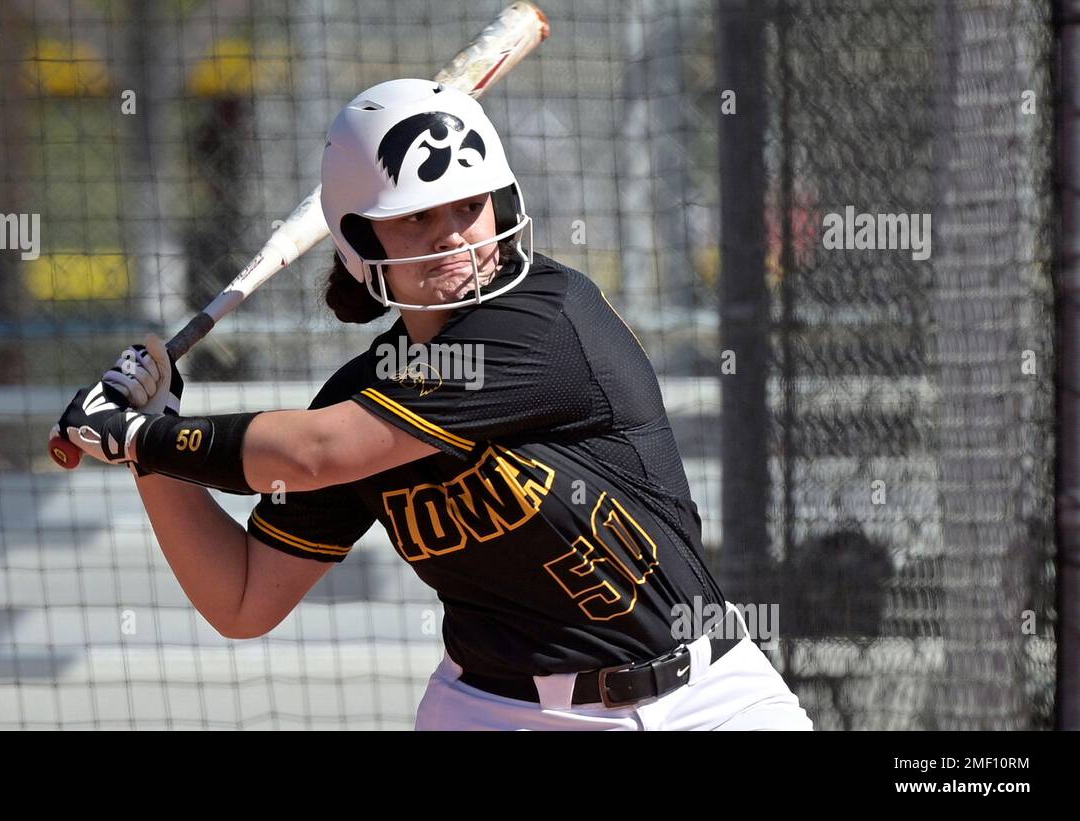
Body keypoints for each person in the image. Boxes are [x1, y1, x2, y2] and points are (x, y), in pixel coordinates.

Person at [54, 79, 812, 731]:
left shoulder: (548, 319)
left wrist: (142, 438)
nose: (455, 237)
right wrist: (152, 450)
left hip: (703, 696)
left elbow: (318, 454)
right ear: (361, 239)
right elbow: (244, 597)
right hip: (495, 709)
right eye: (418, 216)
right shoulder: (363, 396)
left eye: (468, 205)